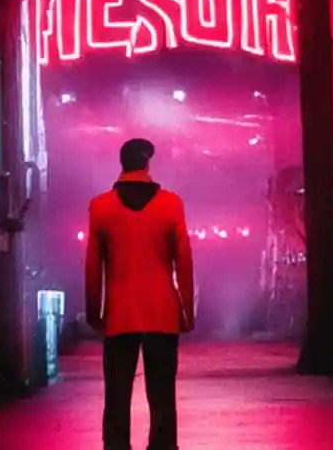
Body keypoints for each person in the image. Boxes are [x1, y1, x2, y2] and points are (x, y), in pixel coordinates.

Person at [85, 138, 195, 450]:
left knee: (116, 396)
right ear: (147, 164)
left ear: (122, 164)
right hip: (162, 314)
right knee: (162, 396)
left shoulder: (101, 207)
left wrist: (94, 313)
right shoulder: (171, 204)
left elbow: (93, 266)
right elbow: (184, 261)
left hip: (120, 316)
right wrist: (186, 310)